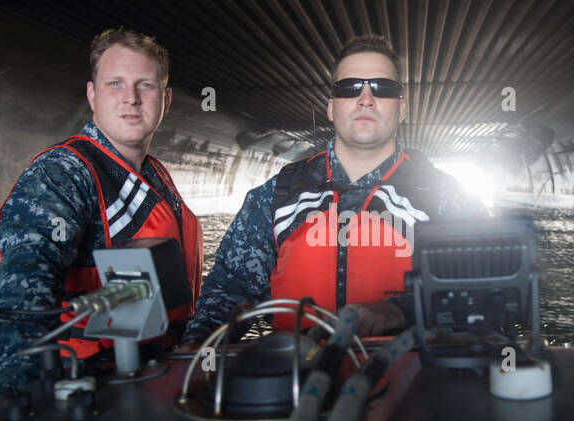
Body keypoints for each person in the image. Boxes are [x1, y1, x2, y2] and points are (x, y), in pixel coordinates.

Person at [184, 34, 484, 345]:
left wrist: (398, 311)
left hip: (412, 379)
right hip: (293, 378)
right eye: (350, 88)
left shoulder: (445, 200)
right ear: (331, 108)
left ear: (402, 109)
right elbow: (228, 290)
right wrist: (195, 352)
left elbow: (484, 291)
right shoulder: (276, 197)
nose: (365, 98)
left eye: (382, 88)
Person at [0, 29, 202, 393]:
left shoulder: (156, 175)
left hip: (157, 377)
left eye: (145, 85)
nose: (130, 98)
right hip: (92, 383)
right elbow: (27, 273)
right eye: (115, 83)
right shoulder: (62, 172)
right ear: (92, 95)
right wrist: (18, 389)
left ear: (166, 99)